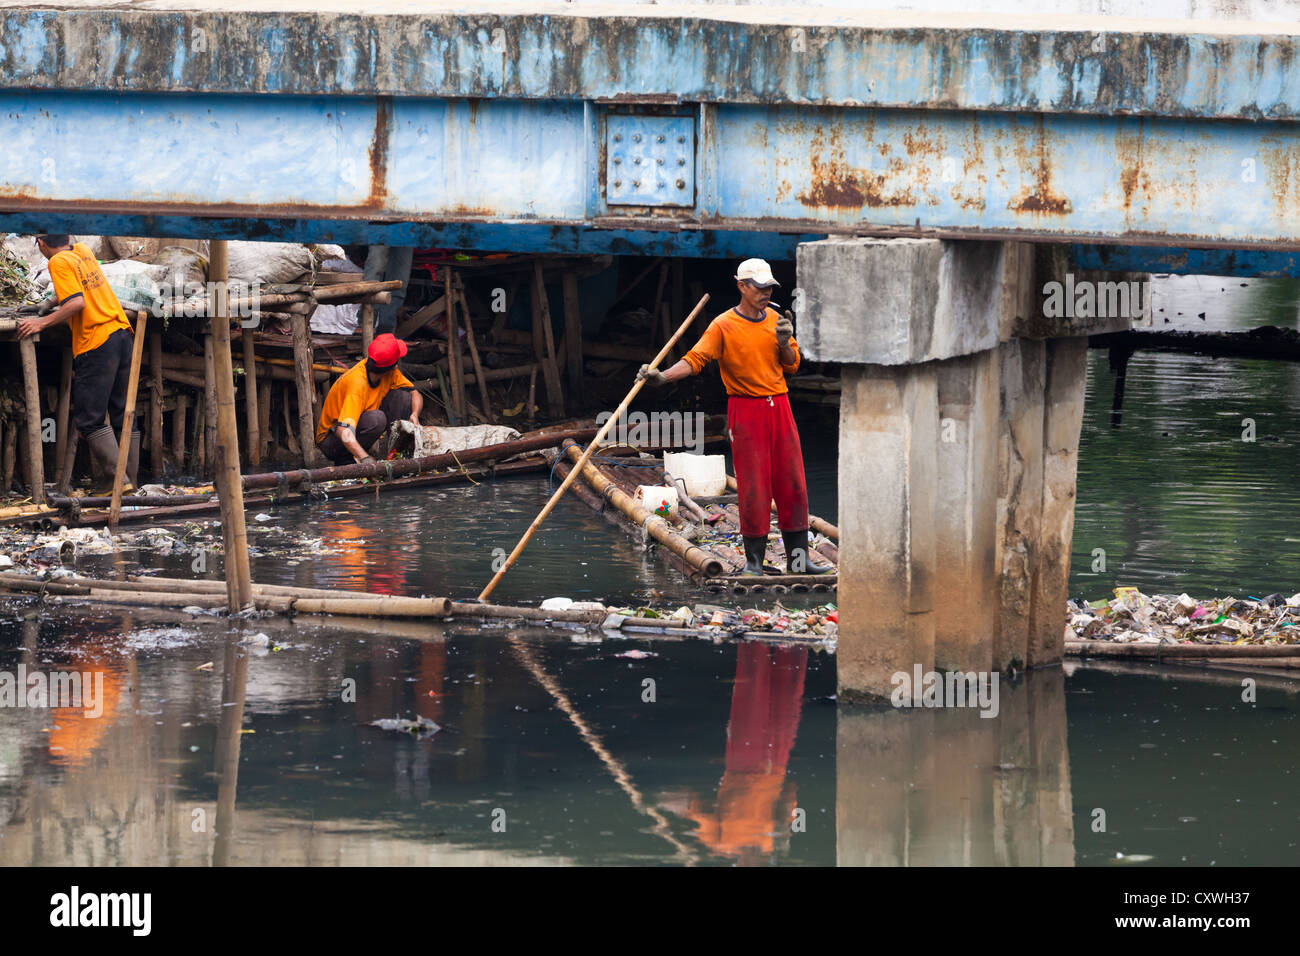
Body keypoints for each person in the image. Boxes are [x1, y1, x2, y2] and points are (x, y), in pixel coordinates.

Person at [637, 258, 832, 576]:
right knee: (754, 485)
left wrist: (784, 343)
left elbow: (792, 364)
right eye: (759, 287)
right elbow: (695, 359)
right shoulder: (723, 325)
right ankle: (754, 563)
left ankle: (799, 561)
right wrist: (663, 376)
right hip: (746, 409)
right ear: (742, 286)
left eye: (769, 287)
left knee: (792, 483)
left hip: (779, 406)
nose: (766, 293)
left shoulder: (776, 321)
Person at [16, 235, 139, 490]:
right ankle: (129, 483)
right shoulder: (81, 250)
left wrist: (41, 323)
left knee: (89, 418)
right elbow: (78, 289)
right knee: (121, 411)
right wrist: (48, 303)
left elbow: (76, 302)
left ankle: (116, 482)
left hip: (97, 341)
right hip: (121, 333)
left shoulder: (57, 261)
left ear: (40, 243)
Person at [316, 333, 423, 464]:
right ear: (392, 366)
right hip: (331, 440)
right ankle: (347, 461)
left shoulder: (391, 373)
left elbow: (415, 393)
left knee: (403, 397)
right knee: (376, 419)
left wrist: (415, 414)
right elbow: (343, 431)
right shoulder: (357, 384)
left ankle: (395, 453)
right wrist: (365, 458)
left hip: (358, 426)